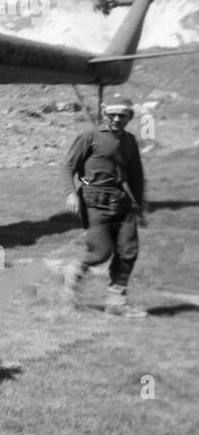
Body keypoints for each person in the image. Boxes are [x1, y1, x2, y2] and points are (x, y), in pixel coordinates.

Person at [62, 92, 148, 317]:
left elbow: (135, 173)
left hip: (121, 201)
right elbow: (67, 166)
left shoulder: (129, 141)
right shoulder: (89, 136)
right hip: (93, 200)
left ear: (130, 116)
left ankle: (116, 303)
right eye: (112, 114)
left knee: (129, 251)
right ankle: (72, 272)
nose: (117, 119)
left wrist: (139, 202)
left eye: (122, 115)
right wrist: (70, 193)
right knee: (100, 252)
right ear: (104, 114)